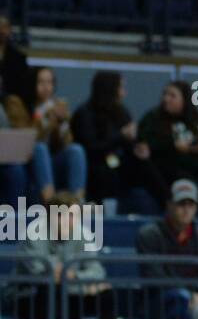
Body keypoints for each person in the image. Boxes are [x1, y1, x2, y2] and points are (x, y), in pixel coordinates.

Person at [16, 193, 127, 319]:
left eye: (73, 215)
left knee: (106, 295)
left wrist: (75, 277)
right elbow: (41, 273)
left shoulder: (82, 234)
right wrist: (82, 283)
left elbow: (97, 271)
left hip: (69, 296)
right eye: (63, 215)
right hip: (30, 299)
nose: (69, 220)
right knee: (50, 292)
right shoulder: (34, 234)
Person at [71, 70, 166, 212]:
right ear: (110, 90)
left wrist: (138, 146)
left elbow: (129, 143)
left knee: (145, 163)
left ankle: (167, 202)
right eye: (121, 88)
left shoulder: (121, 111)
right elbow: (91, 147)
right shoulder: (84, 113)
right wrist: (121, 136)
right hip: (96, 163)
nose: (123, 93)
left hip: (118, 161)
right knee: (107, 171)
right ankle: (108, 213)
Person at [134, 178, 198, 319]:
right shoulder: (149, 234)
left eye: (191, 204)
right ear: (169, 205)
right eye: (181, 204)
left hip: (197, 299)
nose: (186, 209)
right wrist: (190, 293)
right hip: (157, 301)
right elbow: (154, 276)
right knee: (181, 299)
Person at [138, 80, 198, 202]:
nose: (166, 99)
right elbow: (145, 143)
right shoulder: (153, 118)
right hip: (169, 168)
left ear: (184, 99)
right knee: (184, 183)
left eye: (172, 96)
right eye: (165, 94)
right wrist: (173, 146)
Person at [7, 66, 87, 202]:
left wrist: (62, 124)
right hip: (28, 161)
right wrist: (44, 119)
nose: (46, 87)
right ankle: (50, 202)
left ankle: (76, 202)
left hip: (52, 162)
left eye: (50, 82)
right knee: (40, 148)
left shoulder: (56, 105)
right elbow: (25, 139)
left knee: (76, 150)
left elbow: (66, 144)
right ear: (32, 83)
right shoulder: (17, 103)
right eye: (41, 82)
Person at [0, 15, 32, 106]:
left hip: (11, 104)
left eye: (4, 27)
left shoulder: (19, 58)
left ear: (10, 30)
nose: (1, 30)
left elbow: (24, 87)